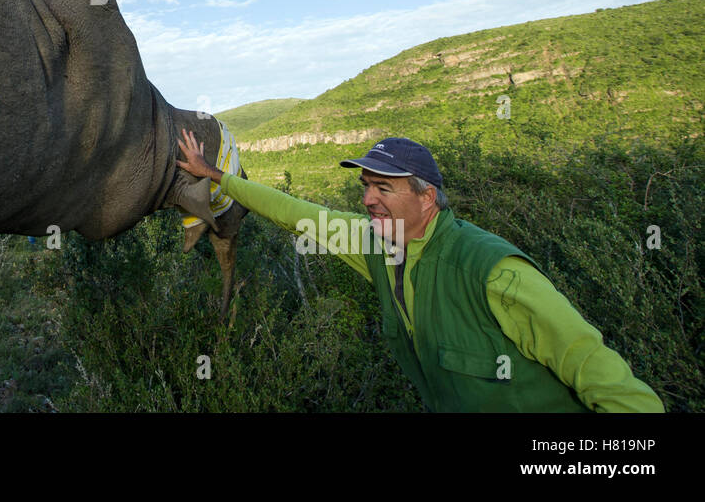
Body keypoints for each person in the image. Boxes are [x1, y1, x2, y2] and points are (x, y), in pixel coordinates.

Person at [176, 130, 664, 412]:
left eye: (383, 189)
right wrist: (218, 176)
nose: (367, 199)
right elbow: (294, 212)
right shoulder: (372, 243)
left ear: (426, 197)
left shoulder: (493, 270)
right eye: (366, 187)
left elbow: (602, 376)